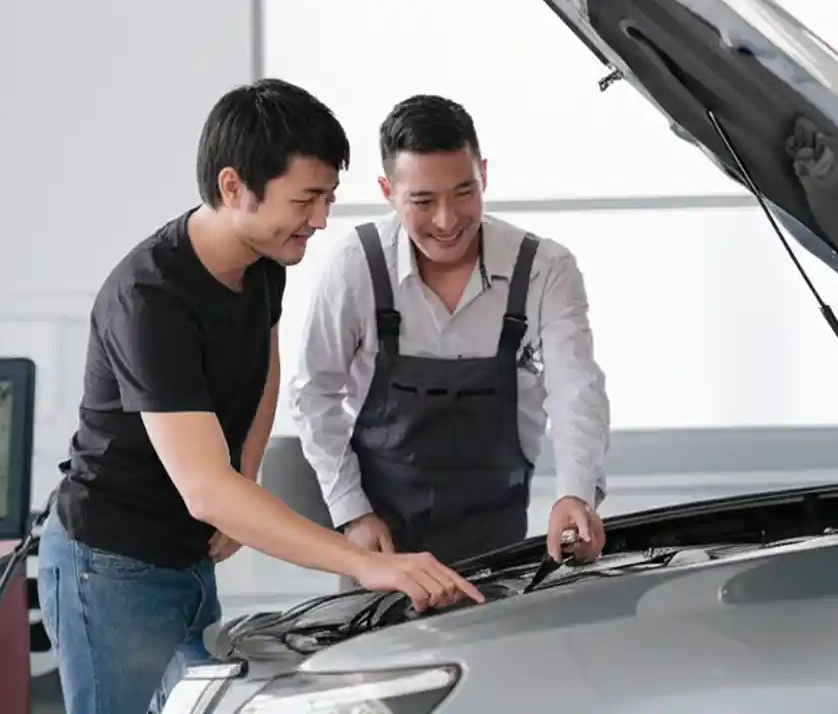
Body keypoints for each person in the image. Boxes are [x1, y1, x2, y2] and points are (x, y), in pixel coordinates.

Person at [36, 79, 483, 714]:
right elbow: (203, 488)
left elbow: (265, 366)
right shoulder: (150, 301)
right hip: (109, 565)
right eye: (306, 199)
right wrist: (365, 566)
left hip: (186, 557)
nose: (322, 220)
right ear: (232, 187)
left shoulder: (265, 260)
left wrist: (245, 469)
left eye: (328, 198)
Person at [286, 94, 610, 572]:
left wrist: (576, 494)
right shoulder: (356, 266)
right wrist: (351, 513)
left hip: (499, 539)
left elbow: (576, 389)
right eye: (422, 200)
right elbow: (313, 393)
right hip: (381, 545)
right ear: (387, 191)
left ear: (484, 173)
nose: (446, 219)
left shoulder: (544, 269)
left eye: (464, 192)